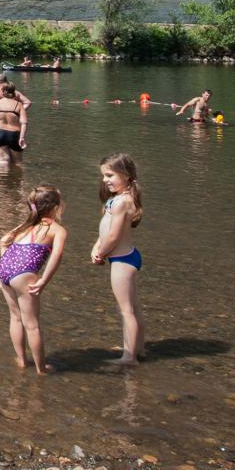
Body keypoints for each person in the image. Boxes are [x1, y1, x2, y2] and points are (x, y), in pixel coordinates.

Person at [0, 184, 68, 374]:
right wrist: (43, 280)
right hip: (24, 272)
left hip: (4, 268)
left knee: (15, 317)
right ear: (56, 207)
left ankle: (22, 361)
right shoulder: (57, 230)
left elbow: (3, 240)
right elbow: (57, 255)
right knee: (33, 325)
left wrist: (4, 261)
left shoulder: (26, 225)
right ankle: (41, 369)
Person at [90, 153, 146, 366]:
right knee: (134, 308)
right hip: (127, 256)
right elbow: (108, 229)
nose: (105, 180)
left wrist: (101, 253)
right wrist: (97, 245)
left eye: (110, 175)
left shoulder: (122, 201)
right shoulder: (120, 198)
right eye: (104, 176)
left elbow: (113, 236)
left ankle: (129, 357)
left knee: (126, 310)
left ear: (126, 175)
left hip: (122, 260)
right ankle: (137, 348)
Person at [0, 81, 28, 171]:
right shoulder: (18, 105)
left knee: (3, 161)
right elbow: (24, 123)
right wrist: (22, 137)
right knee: (17, 162)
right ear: (14, 92)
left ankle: (2, 183)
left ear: (3, 92)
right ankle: (17, 183)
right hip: (13, 134)